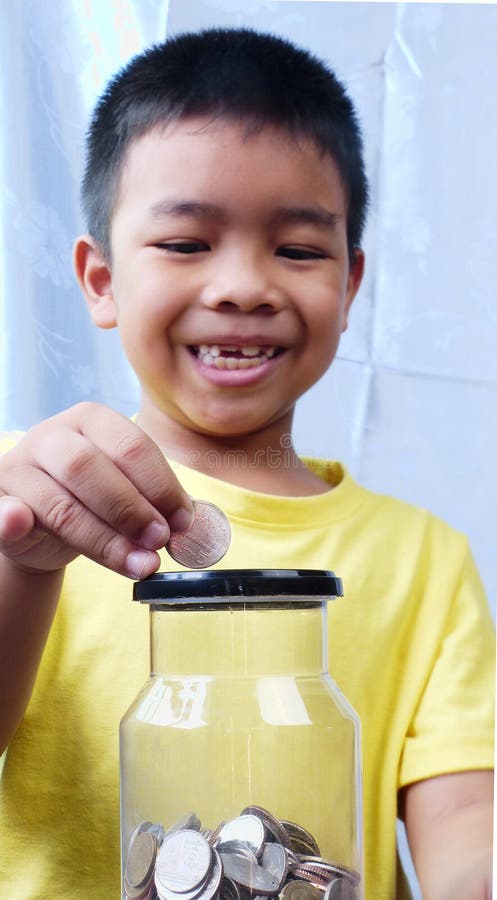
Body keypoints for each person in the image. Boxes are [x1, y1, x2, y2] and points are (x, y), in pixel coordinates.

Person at [0, 27, 493, 900]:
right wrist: (21, 566)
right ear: (101, 280)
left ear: (348, 285)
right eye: (186, 244)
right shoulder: (28, 492)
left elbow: (466, 834)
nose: (242, 286)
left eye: (298, 250)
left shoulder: (425, 560)